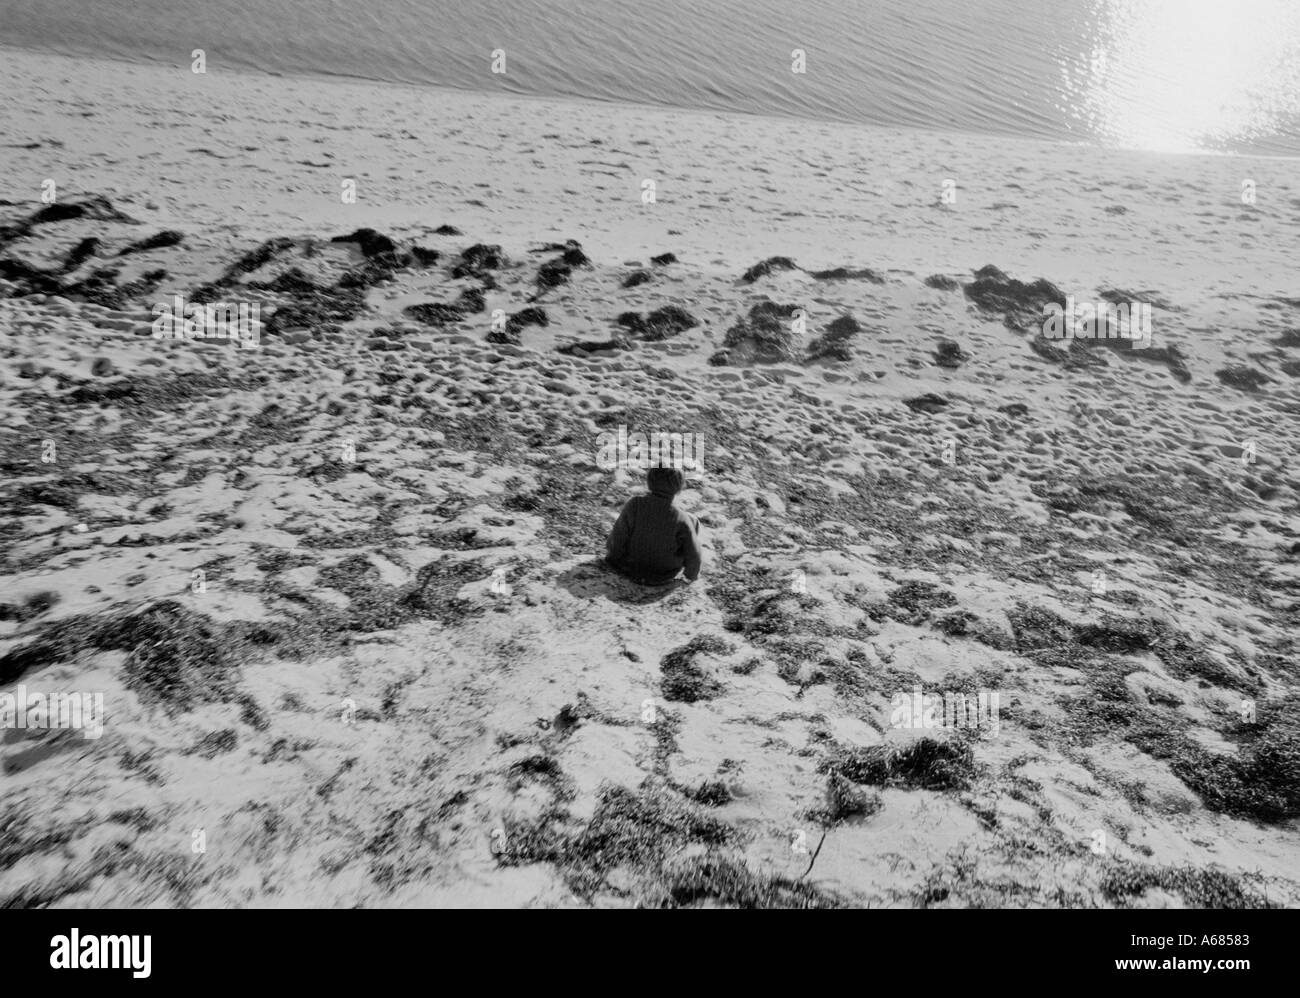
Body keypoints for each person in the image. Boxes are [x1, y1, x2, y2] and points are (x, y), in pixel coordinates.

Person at [604, 466, 703, 585]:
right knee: (693, 521)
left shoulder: (635, 505)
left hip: (630, 568)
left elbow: (619, 536)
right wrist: (690, 576)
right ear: (679, 488)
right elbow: (694, 554)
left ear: (649, 482)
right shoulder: (682, 517)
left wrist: (612, 559)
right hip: (664, 575)